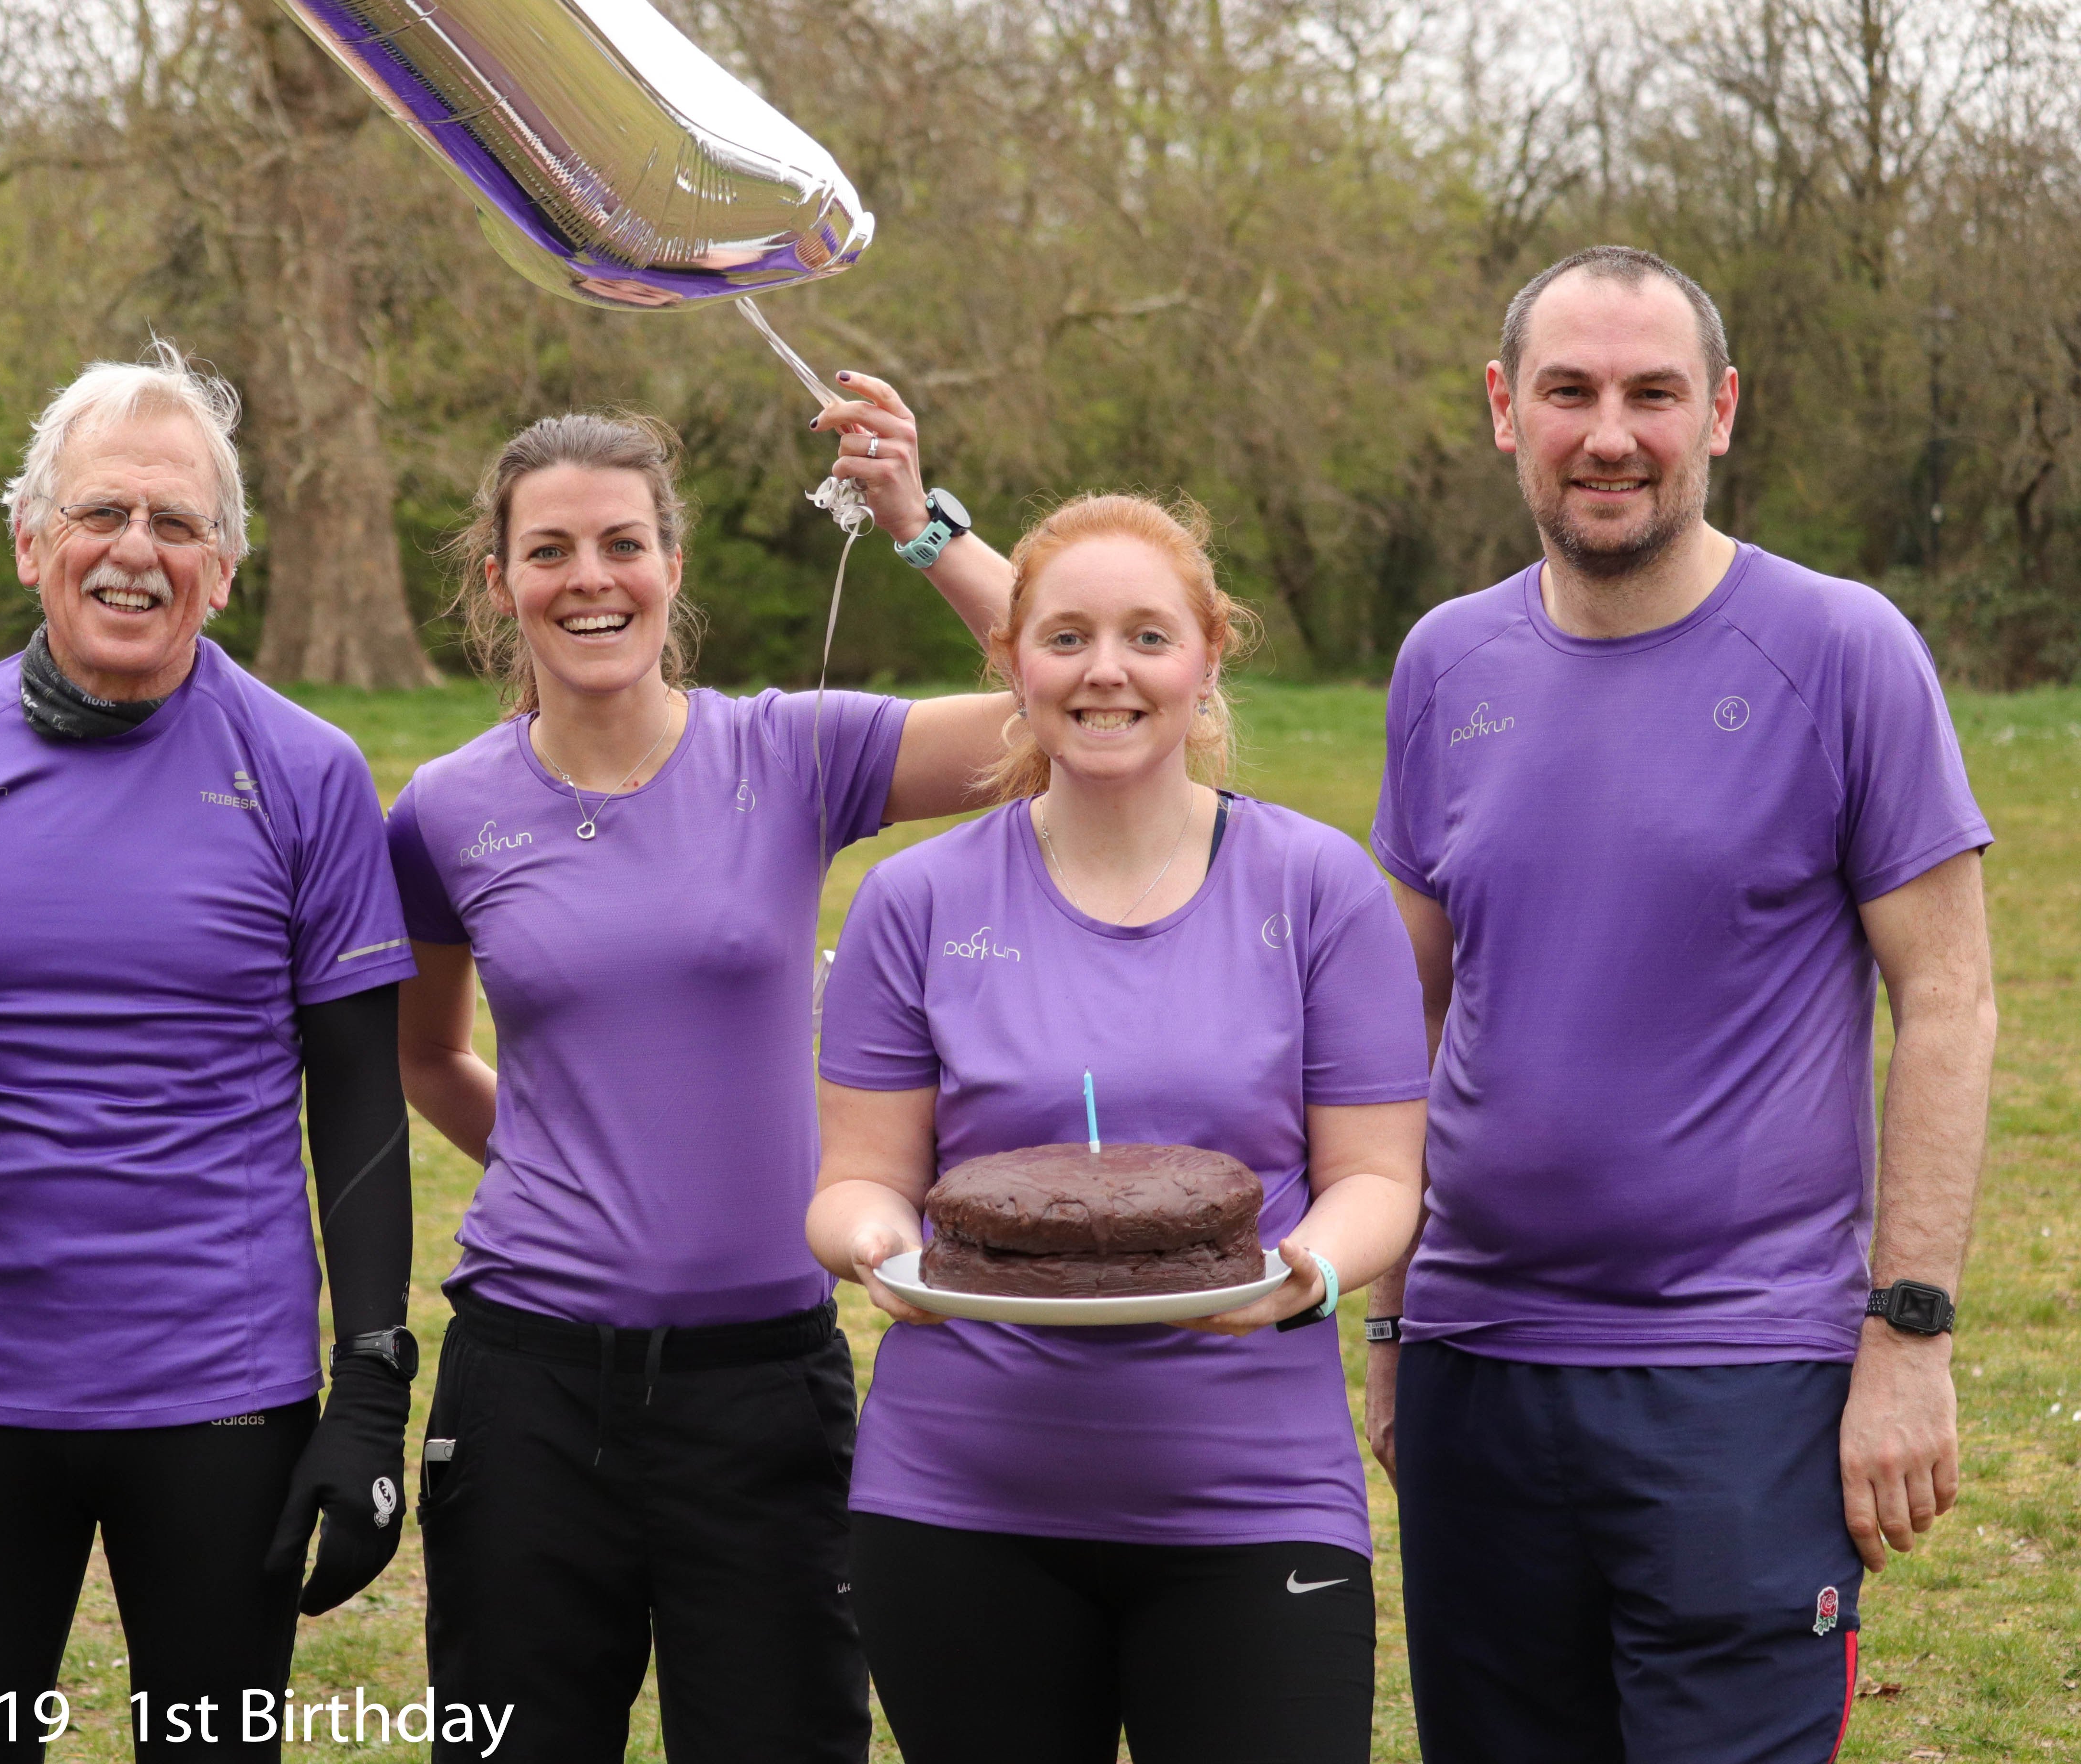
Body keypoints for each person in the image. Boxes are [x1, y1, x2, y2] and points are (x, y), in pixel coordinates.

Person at [1365, 246, 1998, 1762]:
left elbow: (1954, 1000)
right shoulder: (1446, 662)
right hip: (1478, 1367)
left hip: (1743, 1380)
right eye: (1570, 392)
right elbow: (1395, 1022)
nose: (1610, 434)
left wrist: (1907, 1337)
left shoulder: (1843, 652)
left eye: (1653, 394)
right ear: (1504, 411)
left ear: (1719, 413)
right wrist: (1390, 1321)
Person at [0, 340, 416, 1762]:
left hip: (223, 1390)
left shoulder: (306, 772)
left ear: (226, 568)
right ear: (31, 543)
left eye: (179, 523)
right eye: (101, 513)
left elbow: (362, 1097)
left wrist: (371, 1388)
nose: (138, 550)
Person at [385, 382, 1015, 1764]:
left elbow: (1082, 695)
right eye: (550, 551)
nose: (589, 579)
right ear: (500, 586)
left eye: (622, 543)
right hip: (528, 1387)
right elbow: (427, 1057)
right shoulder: (442, 811)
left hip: (762, 1389)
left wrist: (920, 525)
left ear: (673, 567)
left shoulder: (792, 751)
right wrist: (581, 1169)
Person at [806, 492, 1429, 1764]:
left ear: (1207, 658)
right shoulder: (914, 901)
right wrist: (882, 1254)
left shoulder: (1316, 888)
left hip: (1257, 1504)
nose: (1107, 672)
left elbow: (1379, 1183)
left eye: (1149, 637)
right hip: (959, 1502)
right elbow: (856, 1183)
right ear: (1011, 661)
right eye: (1068, 637)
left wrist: (1297, 1273)